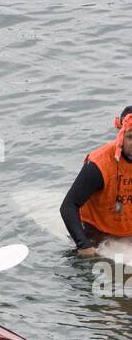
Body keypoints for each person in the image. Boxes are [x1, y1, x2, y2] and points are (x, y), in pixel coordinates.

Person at [60, 107, 132, 256]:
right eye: (131, 137)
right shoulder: (99, 164)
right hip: (98, 234)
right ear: (120, 135)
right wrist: (83, 244)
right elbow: (68, 206)